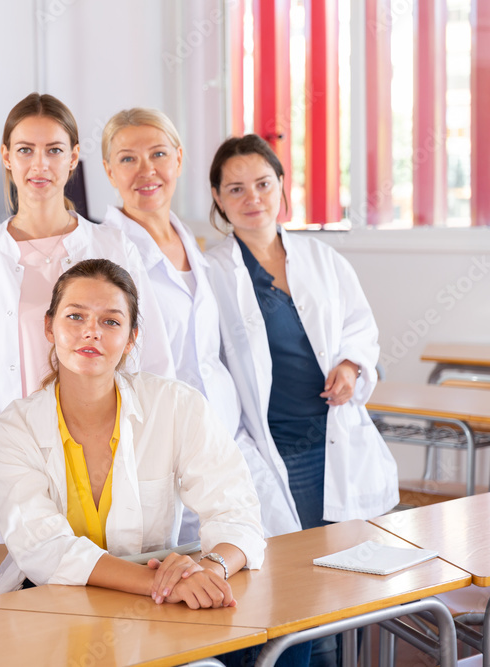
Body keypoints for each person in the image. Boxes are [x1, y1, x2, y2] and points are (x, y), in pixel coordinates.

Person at [205, 134, 397, 667]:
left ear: (282, 186)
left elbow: (360, 326)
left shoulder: (321, 257)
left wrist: (351, 365)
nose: (253, 198)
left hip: (334, 439)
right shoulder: (213, 272)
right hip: (273, 449)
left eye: (263, 184)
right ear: (217, 198)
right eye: (236, 188)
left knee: (349, 577)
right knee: (297, 585)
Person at [0, 93, 174, 545]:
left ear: (73, 157)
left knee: (114, 572)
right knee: (39, 576)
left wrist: (155, 452)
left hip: (107, 448)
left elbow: (151, 358)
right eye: (25, 150)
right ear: (6, 157)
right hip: (21, 455)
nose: (40, 164)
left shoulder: (113, 246)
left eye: (54, 150)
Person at [0, 259, 264, 609]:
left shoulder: (176, 405)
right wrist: (164, 586)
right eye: (75, 316)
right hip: (51, 603)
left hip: (153, 608)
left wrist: (208, 572)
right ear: (49, 327)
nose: (92, 332)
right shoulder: (14, 428)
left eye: (111, 321)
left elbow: (237, 513)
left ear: (131, 339)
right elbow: (43, 547)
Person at [99, 108, 300, 541]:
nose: (146, 170)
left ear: (178, 159)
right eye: (128, 158)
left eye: (158, 154)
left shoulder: (190, 240)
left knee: (283, 547)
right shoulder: (105, 252)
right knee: (204, 566)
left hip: (228, 432)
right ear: (109, 170)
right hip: (166, 449)